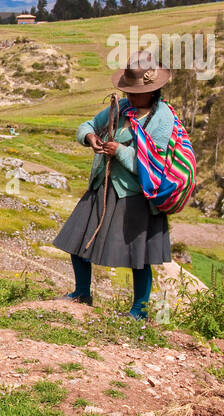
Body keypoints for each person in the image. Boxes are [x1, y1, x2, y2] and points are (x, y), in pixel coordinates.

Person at [52, 49, 176, 319]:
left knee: (138, 257)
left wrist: (119, 150)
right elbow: (87, 125)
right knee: (77, 241)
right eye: (128, 90)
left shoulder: (163, 119)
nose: (130, 96)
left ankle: (139, 311)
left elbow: (155, 163)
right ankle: (82, 293)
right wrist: (91, 139)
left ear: (153, 90)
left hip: (135, 195)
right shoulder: (121, 108)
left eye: (135, 91)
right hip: (102, 187)